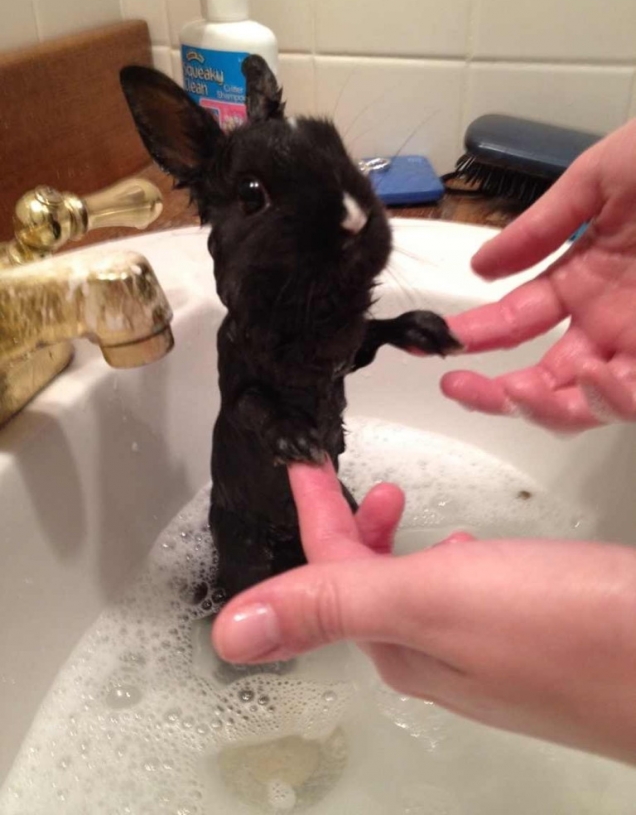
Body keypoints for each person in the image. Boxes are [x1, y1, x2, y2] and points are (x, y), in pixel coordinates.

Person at [212, 118, 636, 765]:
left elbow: (338, 355)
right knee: (251, 590)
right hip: (249, 510)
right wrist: (279, 430)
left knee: (340, 542)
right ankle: (252, 709)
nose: (356, 218)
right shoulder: (245, 337)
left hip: (319, 478)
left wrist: (389, 332)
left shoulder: (319, 325)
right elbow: (246, 401)